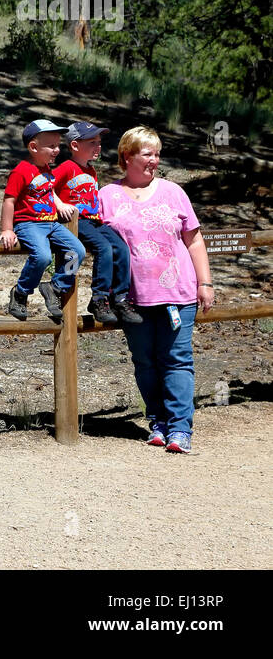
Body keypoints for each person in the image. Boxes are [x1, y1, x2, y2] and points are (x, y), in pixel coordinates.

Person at [100, 126, 215, 454]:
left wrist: (205, 283)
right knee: (144, 361)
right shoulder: (107, 196)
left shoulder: (173, 192)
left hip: (177, 292)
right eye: (147, 153)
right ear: (127, 157)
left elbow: (193, 239)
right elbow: (94, 238)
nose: (154, 160)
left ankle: (180, 428)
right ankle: (158, 422)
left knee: (176, 359)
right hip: (131, 297)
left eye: (157, 153)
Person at [51, 122, 141, 326]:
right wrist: (60, 204)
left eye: (99, 142)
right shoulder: (66, 168)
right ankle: (99, 298)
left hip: (94, 221)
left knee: (121, 248)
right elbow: (47, 187)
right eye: (92, 143)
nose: (98, 147)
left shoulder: (91, 171)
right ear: (75, 146)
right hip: (76, 222)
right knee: (104, 248)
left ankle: (119, 298)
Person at [0, 119, 85, 323]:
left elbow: (49, 191)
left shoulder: (46, 169)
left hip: (51, 223)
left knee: (77, 252)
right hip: (29, 223)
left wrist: (60, 205)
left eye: (58, 145)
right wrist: (7, 229)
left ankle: (55, 287)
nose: (57, 150)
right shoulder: (21, 171)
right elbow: (9, 200)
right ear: (33, 147)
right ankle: (21, 292)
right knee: (43, 257)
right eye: (52, 146)